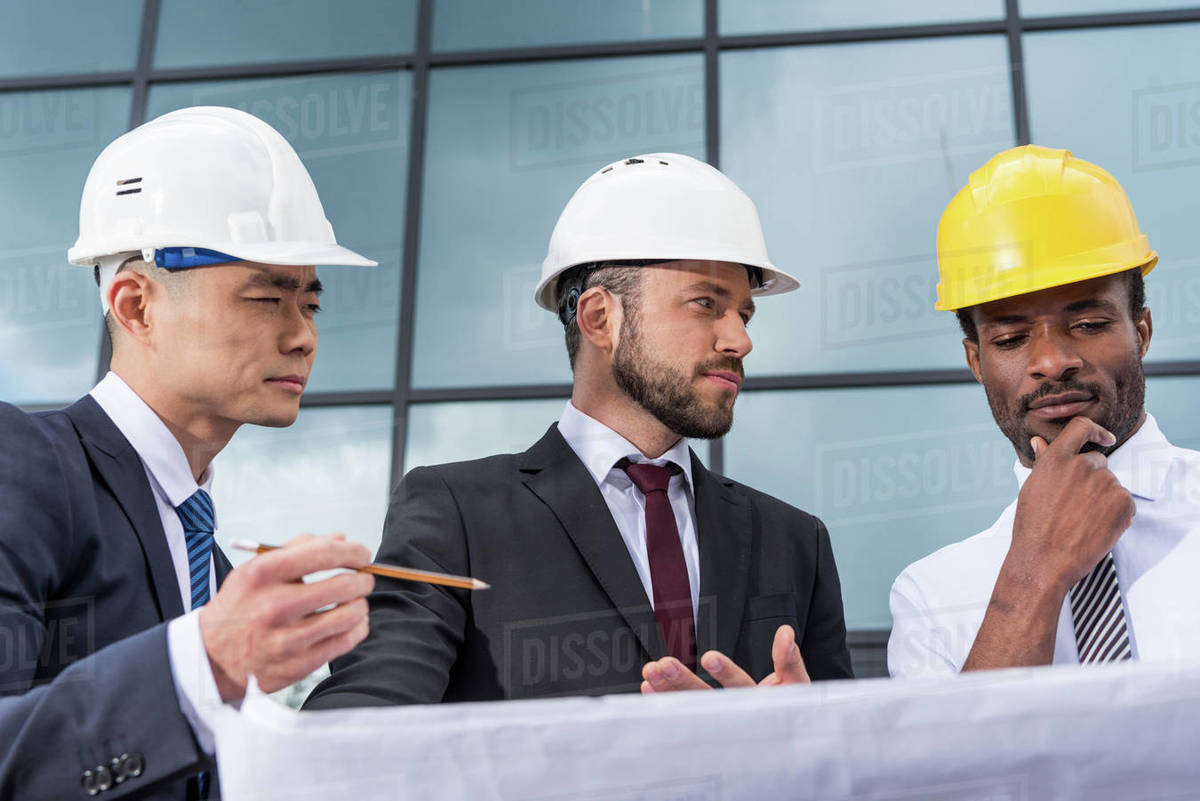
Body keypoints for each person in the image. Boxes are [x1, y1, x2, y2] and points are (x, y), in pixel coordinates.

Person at [305, 153, 852, 710]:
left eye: (745, 314)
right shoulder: (457, 515)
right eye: (705, 304)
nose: (740, 340)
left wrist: (809, 738)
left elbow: (861, 761)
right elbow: (361, 717)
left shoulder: (795, 541)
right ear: (598, 319)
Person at [0, 106, 377, 799]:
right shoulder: (23, 466)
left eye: (312, 305)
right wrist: (202, 666)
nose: (303, 336)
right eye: (267, 297)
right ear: (137, 305)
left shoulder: (217, 573)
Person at [888, 145, 1200, 677]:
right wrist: (1036, 572)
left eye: (1089, 325)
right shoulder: (932, 598)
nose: (1053, 362)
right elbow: (960, 764)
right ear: (976, 361)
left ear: (1141, 331)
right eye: (1011, 338)